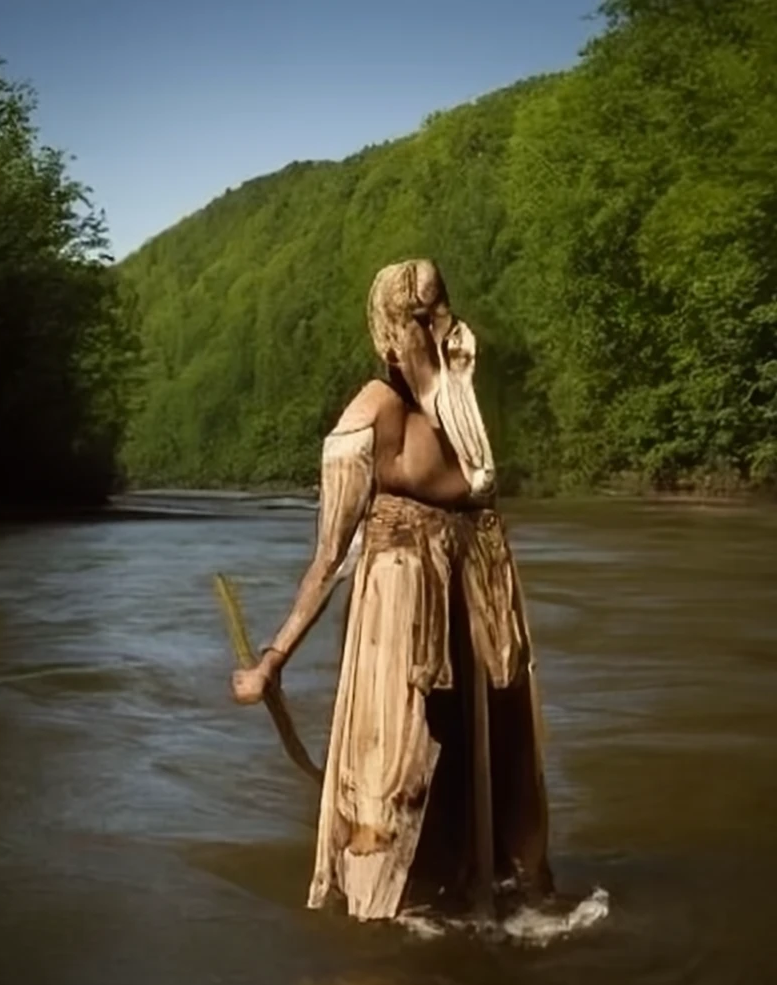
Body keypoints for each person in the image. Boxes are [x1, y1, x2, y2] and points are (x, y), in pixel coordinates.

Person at [230, 259, 553, 921]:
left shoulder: (455, 400)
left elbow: (475, 483)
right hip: (407, 623)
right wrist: (273, 659)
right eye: (421, 320)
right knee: (399, 775)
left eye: (437, 317)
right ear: (393, 337)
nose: (435, 332)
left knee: (488, 769)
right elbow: (331, 557)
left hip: (476, 616)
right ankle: (403, 920)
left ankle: (474, 899)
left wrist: (271, 661)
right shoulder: (374, 415)